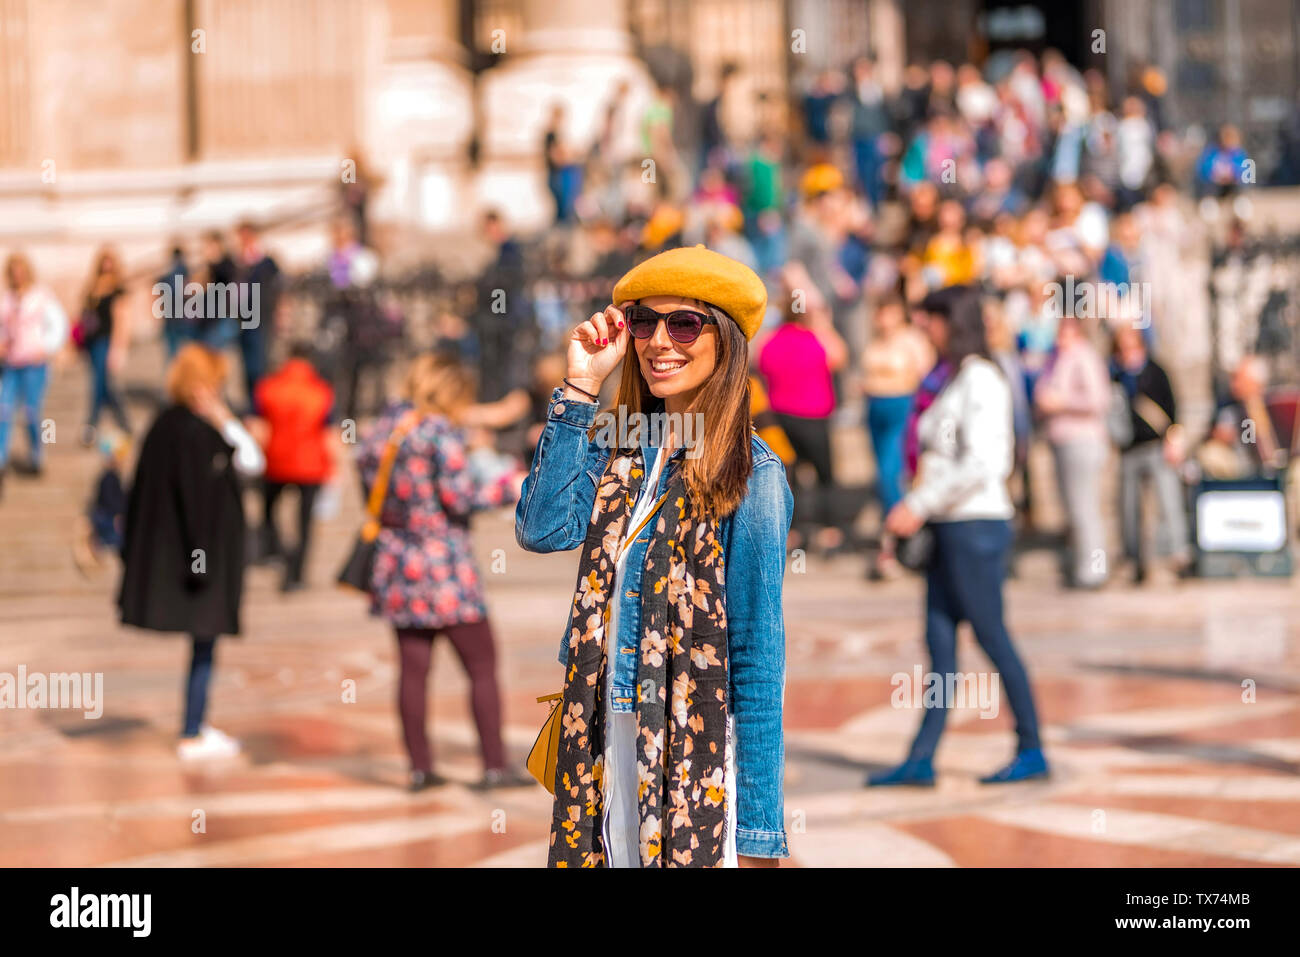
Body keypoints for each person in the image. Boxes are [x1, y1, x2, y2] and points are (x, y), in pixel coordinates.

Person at [517, 245, 793, 867]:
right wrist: (581, 385)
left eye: (685, 323)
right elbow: (542, 528)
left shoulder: (753, 476)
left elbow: (755, 659)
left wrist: (758, 835)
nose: (658, 341)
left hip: (691, 760)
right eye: (644, 322)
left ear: (725, 341)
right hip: (599, 742)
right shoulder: (618, 452)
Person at [871, 284, 1047, 786]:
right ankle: (921, 757)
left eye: (933, 319)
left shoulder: (981, 379)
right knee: (940, 645)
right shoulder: (946, 379)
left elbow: (987, 460)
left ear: (957, 322)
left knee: (993, 636)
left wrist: (917, 503)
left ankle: (1032, 747)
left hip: (976, 525)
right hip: (947, 526)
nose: (924, 327)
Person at [355, 353, 528, 792]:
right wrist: (511, 486)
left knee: (413, 670)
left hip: (396, 564)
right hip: (443, 567)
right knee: (482, 664)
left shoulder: (380, 433)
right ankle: (493, 766)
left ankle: (419, 767)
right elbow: (462, 499)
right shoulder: (438, 436)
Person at [117, 344, 266, 760]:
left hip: (175, 558)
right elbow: (251, 462)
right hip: (202, 560)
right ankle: (192, 730)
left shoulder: (162, 427)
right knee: (205, 640)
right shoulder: (201, 435)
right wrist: (225, 420)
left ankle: (195, 724)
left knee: (204, 643)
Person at [756, 265, 848, 555]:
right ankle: (829, 532)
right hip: (814, 417)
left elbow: (757, 359)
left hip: (781, 418)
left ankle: (791, 533)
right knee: (825, 477)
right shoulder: (816, 338)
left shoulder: (772, 340)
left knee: (787, 478)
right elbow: (840, 357)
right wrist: (822, 321)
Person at [1034, 313, 1111, 589]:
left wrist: (1060, 402)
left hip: (1083, 439)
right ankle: (1082, 565)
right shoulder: (1056, 359)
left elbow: (1099, 399)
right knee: (1072, 508)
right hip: (1061, 439)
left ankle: (1096, 569)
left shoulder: (1084, 357)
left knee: (1085, 507)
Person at [1110, 323, 1189, 583]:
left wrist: (1173, 440)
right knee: (1128, 507)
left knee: (1168, 501)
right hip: (1129, 450)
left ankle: (1178, 555)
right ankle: (1134, 560)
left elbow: (1172, 408)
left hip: (1156, 446)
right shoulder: (1116, 374)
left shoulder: (1156, 372)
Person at [252, 344, 335, 591]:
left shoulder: (268, 387)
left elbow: (257, 426)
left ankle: (272, 550)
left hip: (274, 461)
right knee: (305, 522)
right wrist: (335, 468)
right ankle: (297, 574)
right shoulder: (322, 391)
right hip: (311, 465)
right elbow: (331, 433)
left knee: (268, 510)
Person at [862, 293, 933, 577]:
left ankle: (895, 539)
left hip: (901, 405)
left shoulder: (912, 340)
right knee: (883, 473)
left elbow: (926, 376)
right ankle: (894, 537)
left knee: (889, 473)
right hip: (876, 406)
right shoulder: (875, 341)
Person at [0, 252, 68, 492]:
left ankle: (37, 454)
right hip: (11, 364)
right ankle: (1, 460)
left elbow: (58, 323)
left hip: (34, 364)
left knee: (32, 411)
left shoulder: (40, 296)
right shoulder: (7, 299)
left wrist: (46, 347)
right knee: (3, 410)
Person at [80, 247, 132, 445]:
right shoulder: (93, 288)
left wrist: (118, 349)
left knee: (99, 384)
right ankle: (124, 422)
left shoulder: (117, 290)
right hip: (92, 342)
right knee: (105, 386)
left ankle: (91, 424)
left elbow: (123, 322)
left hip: (107, 342)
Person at [234, 220, 280, 409]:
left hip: (261, 319)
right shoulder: (239, 262)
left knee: (260, 365)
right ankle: (251, 405)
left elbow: (275, 289)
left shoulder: (265, 262)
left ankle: (261, 407)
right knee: (246, 367)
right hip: (243, 319)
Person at [72, 430, 130, 576]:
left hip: (106, 517)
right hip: (107, 518)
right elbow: (111, 500)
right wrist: (119, 513)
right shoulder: (109, 477)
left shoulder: (110, 476)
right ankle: (97, 546)